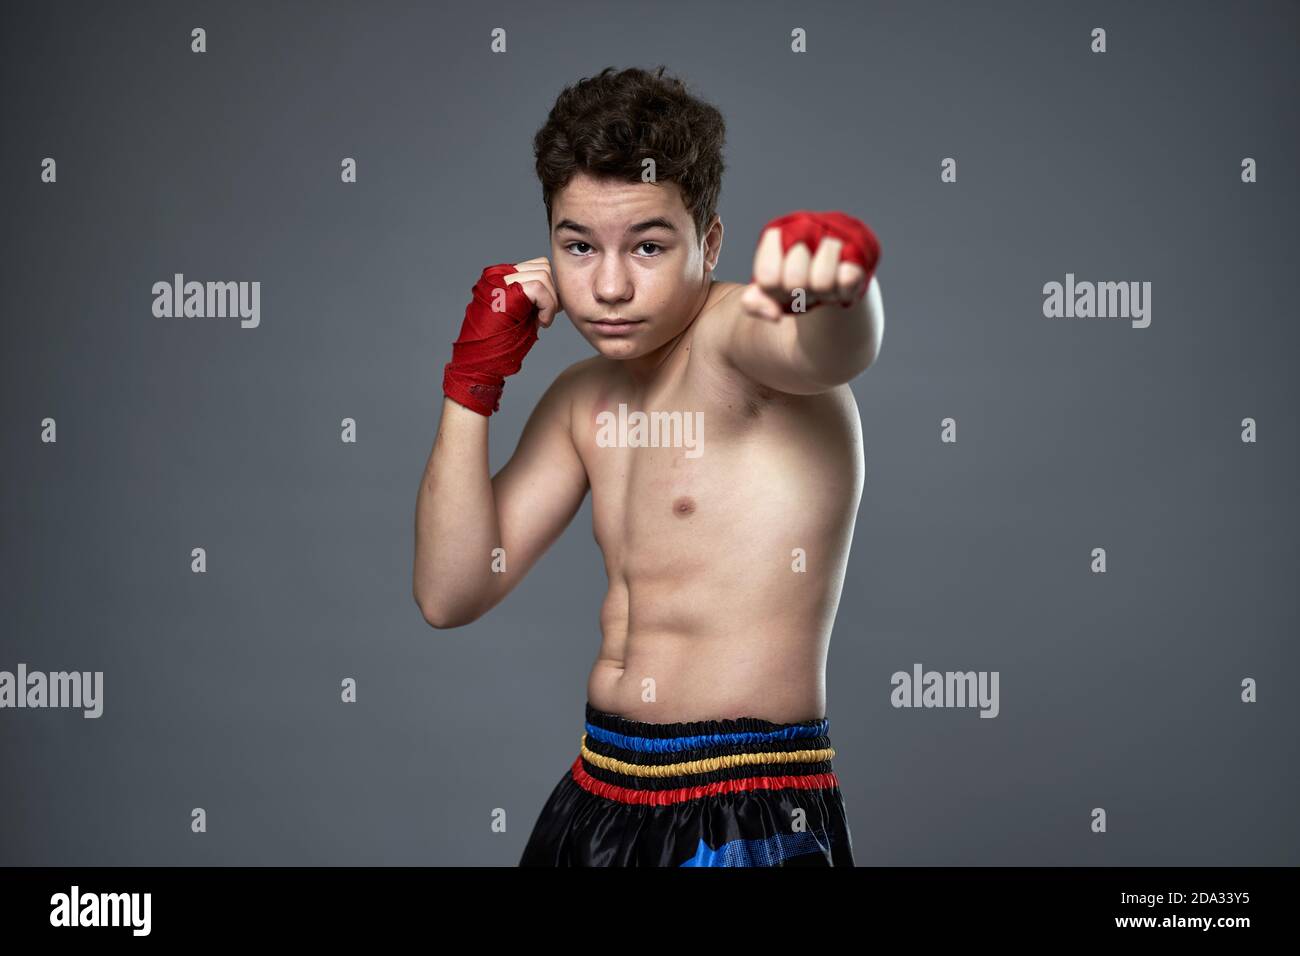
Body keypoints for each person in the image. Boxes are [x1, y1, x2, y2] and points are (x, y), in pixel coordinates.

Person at [413, 65, 884, 867]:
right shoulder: (580, 399)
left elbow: (827, 347)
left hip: (740, 808)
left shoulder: (737, 343)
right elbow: (450, 592)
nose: (609, 286)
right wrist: (471, 383)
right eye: (578, 246)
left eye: (649, 246)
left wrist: (835, 281)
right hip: (596, 792)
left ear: (710, 242)